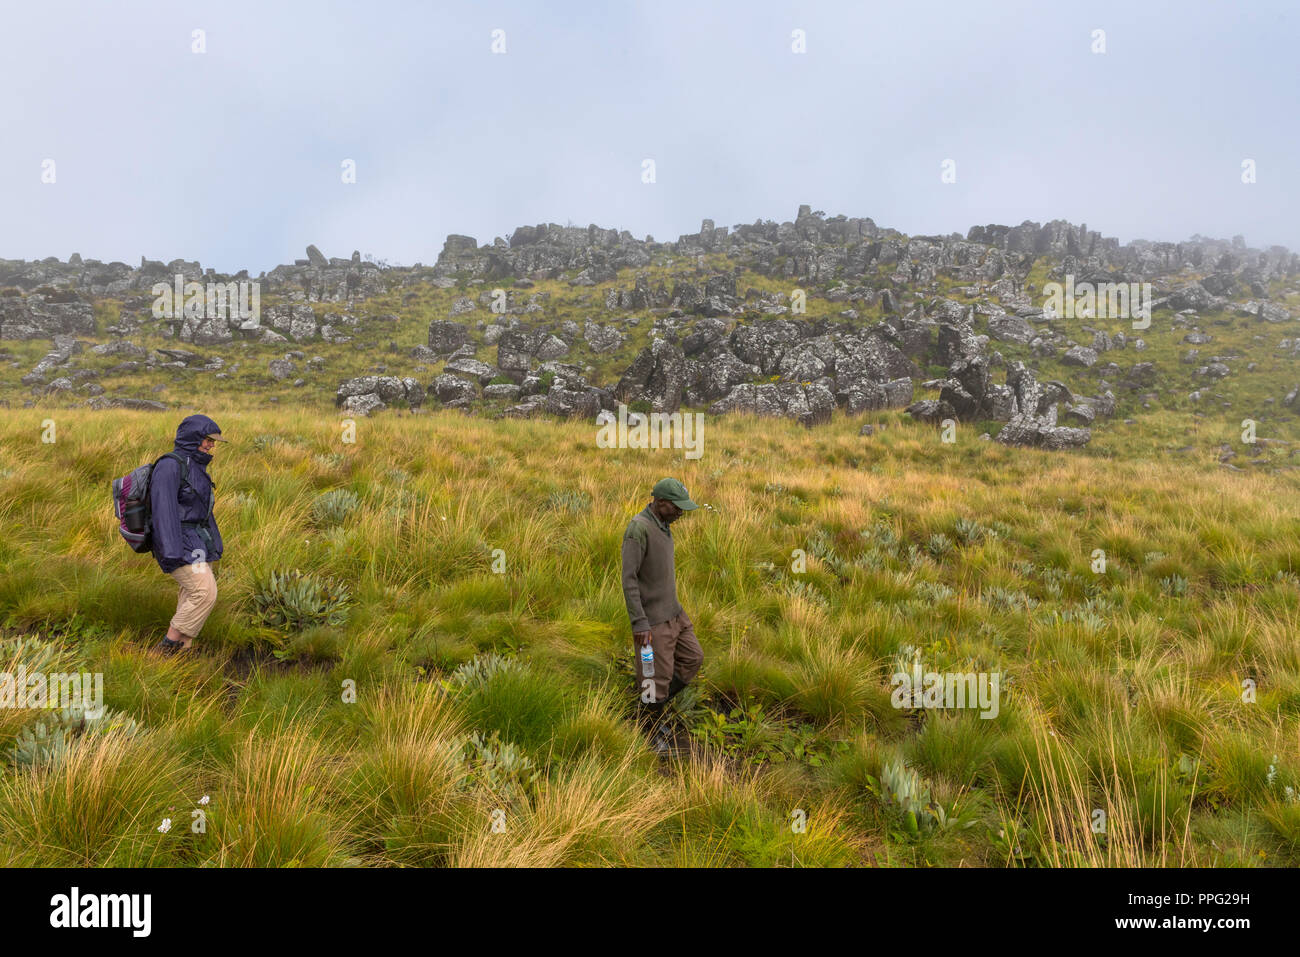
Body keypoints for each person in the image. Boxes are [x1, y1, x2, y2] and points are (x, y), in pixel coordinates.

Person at [621, 477, 703, 755]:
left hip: (675, 614)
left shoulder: (664, 524)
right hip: (653, 621)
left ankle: (653, 715)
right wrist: (639, 622)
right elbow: (629, 580)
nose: (681, 512)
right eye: (677, 507)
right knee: (655, 679)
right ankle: (648, 731)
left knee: (693, 659)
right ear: (660, 502)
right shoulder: (638, 529)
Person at [151, 414, 226, 655]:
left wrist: (212, 544)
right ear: (194, 437)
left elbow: (199, 511)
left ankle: (182, 653)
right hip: (178, 544)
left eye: (213, 441)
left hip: (197, 542)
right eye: (208, 439)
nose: (211, 445)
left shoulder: (195, 466)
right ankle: (165, 648)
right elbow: (164, 512)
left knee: (191, 594)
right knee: (204, 592)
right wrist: (171, 552)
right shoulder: (170, 465)